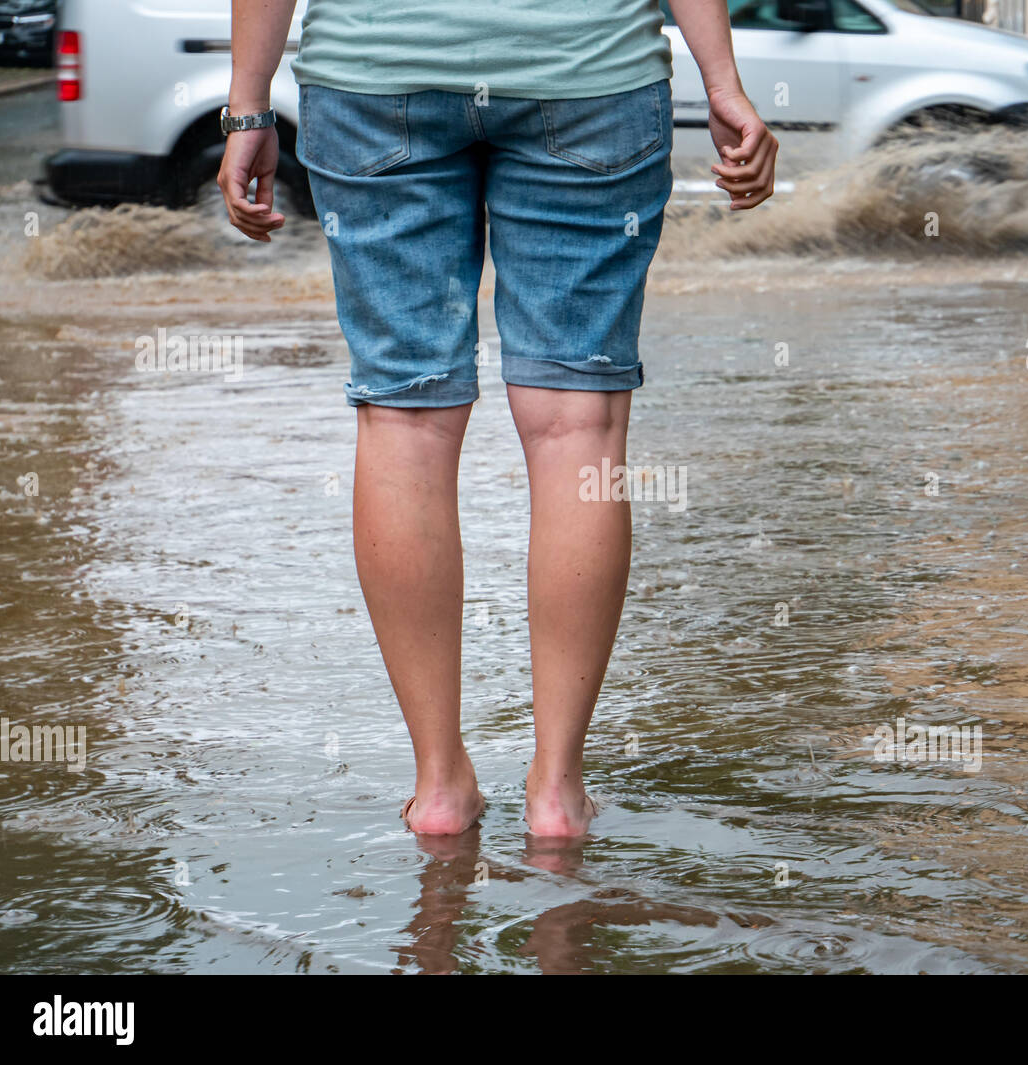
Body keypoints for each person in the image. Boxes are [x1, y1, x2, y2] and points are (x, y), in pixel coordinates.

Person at [217, 0, 777, 837]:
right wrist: (722, 79)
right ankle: (556, 793)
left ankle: (439, 787)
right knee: (576, 428)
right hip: (588, 75)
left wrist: (249, 102)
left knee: (405, 421)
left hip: (379, 73)